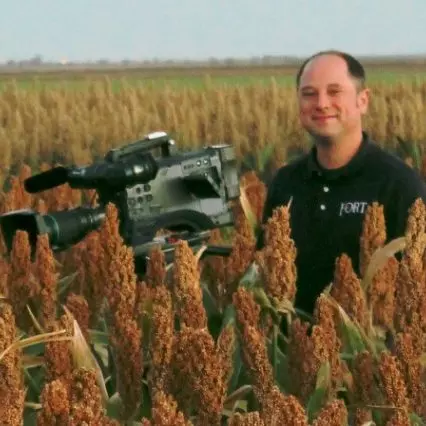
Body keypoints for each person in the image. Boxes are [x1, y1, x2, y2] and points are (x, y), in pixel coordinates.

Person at [256, 50, 426, 317]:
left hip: (374, 351)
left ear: (363, 101)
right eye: (309, 94)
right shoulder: (285, 182)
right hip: (289, 350)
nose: (321, 103)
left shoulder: (399, 184)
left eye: (334, 92)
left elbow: (418, 288)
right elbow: (263, 271)